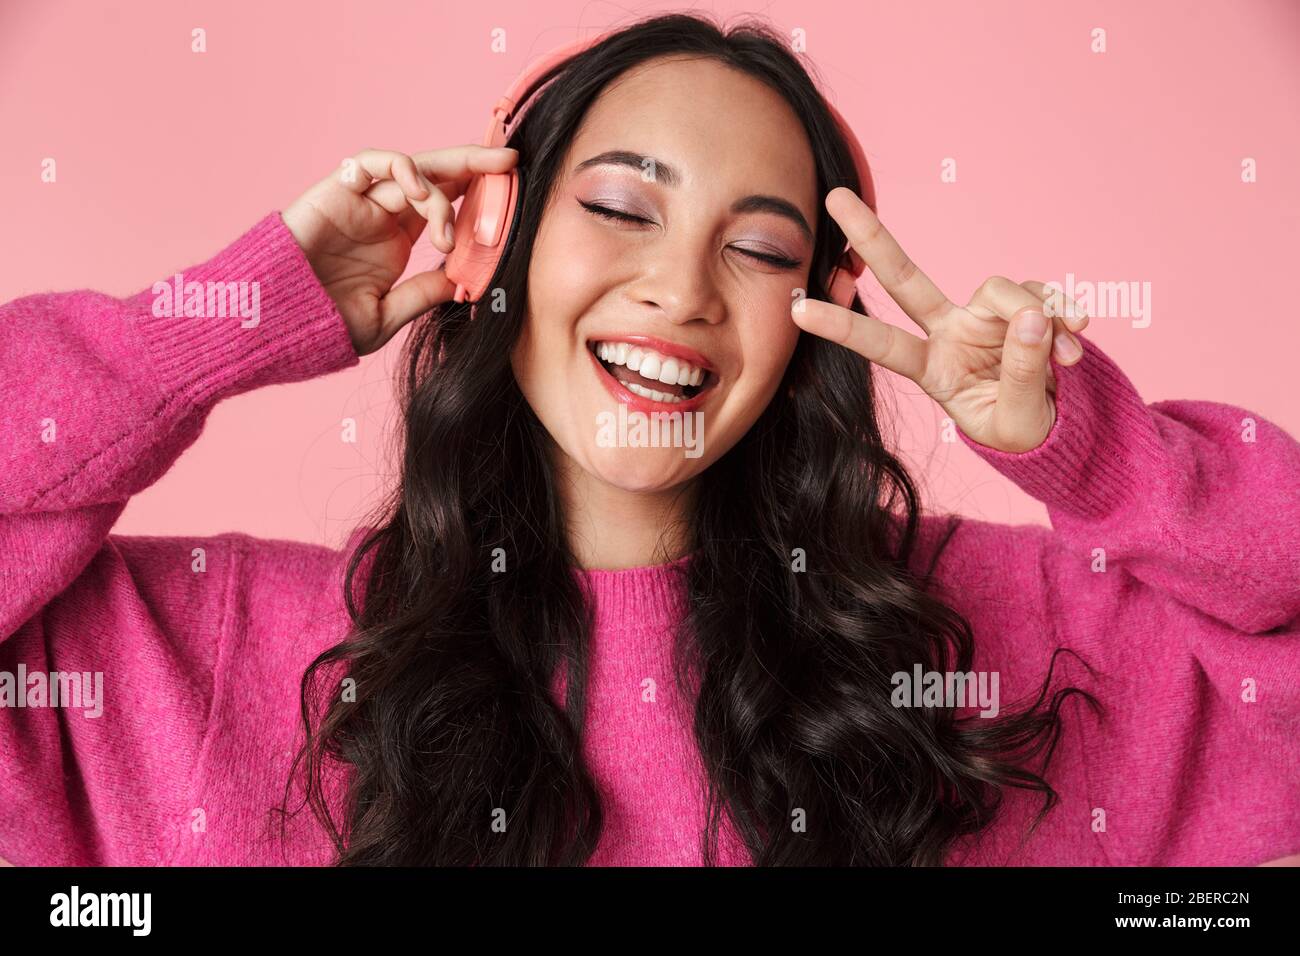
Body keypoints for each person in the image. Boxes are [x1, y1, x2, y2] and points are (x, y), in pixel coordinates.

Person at [1, 12, 1297, 867]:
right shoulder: (230, 651)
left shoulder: (964, 641)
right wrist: (253, 309)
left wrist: (1102, 459)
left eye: (758, 246)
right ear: (501, 239)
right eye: (621, 209)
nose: (682, 290)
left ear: (817, 315)